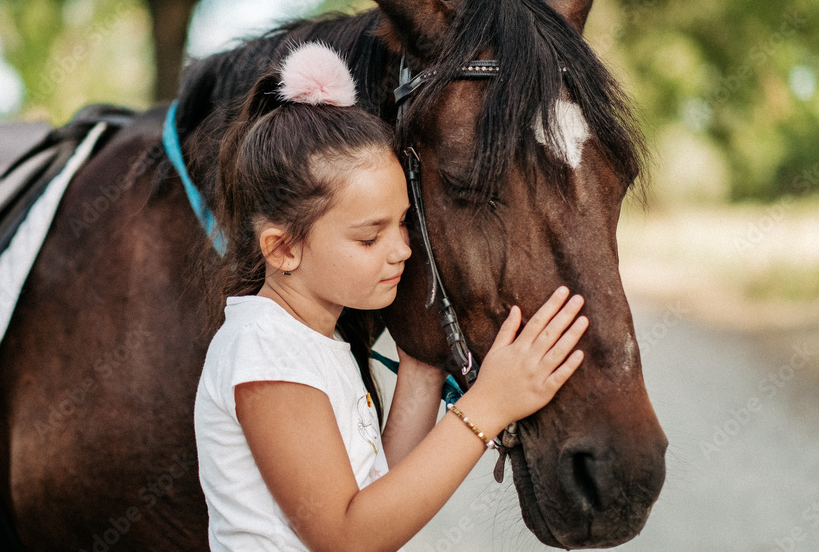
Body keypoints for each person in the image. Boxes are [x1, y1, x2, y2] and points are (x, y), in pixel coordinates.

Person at [193, 42, 587, 552]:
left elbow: (380, 494)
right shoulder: (267, 351)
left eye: (402, 222)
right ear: (284, 248)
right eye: (368, 237)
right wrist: (489, 405)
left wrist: (423, 368)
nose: (402, 249)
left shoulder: (306, 338)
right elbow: (347, 537)